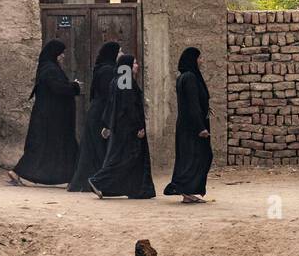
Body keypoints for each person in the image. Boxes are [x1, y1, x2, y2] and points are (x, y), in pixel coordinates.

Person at [8, 40, 81, 186]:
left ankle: (72, 177)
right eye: (61, 53)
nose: (63, 56)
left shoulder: (48, 67)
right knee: (41, 148)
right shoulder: (50, 69)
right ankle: (19, 172)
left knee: (47, 148)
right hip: (50, 118)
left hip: (50, 117)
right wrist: (74, 86)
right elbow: (58, 88)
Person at [89, 53, 155, 199]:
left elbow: (111, 105)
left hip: (121, 127)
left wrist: (107, 124)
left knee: (126, 158)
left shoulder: (117, 80)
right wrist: (138, 126)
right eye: (135, 63)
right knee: (125, 158)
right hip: (128, 128)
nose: (137, 66)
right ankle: (98, 181)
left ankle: (136, 189)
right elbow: (128, 106)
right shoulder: (125, 81)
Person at [68, 41, 121, 192]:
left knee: (95, 148)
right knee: (98, 148)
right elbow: (107, 95)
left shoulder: (106, 68)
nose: (121, 54)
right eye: (119, 52)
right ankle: (96, 182)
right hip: (100, 114)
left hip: (99, 112)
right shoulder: (107, 70)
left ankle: (91, 182)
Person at [163, 46, 214, 203]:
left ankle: (187, 191)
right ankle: (185, 189)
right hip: (193, 127)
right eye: (199, 58)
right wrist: (201, 128)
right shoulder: (190, 77)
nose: (202, 61)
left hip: (187, 125)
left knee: (190, 158)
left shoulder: (184, 77)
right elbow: (192, 105)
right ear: (193, 59)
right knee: (198, 157)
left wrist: (206, 107)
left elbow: (194, 101)